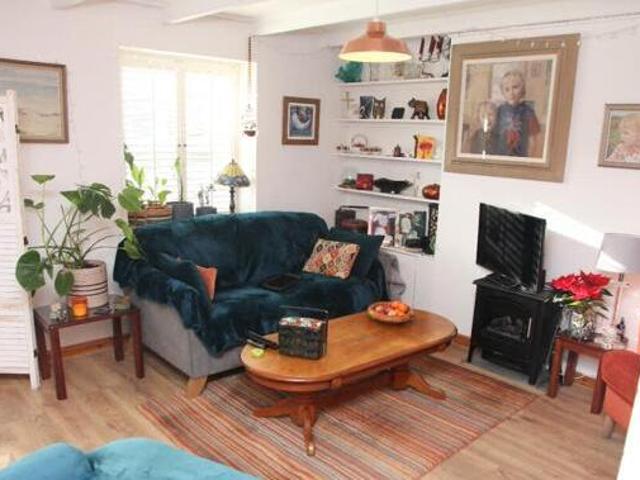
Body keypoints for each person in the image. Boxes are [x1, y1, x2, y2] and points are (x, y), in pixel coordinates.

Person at [495, 70, 541, 157]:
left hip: (520, 156)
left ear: (522, 89)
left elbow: (534, 139)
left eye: (515, 87)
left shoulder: (528, 112)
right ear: (503, 92)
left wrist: (531, 158)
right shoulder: (499, 110)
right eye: (507, 89)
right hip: (501, 156)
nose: (511, 93)